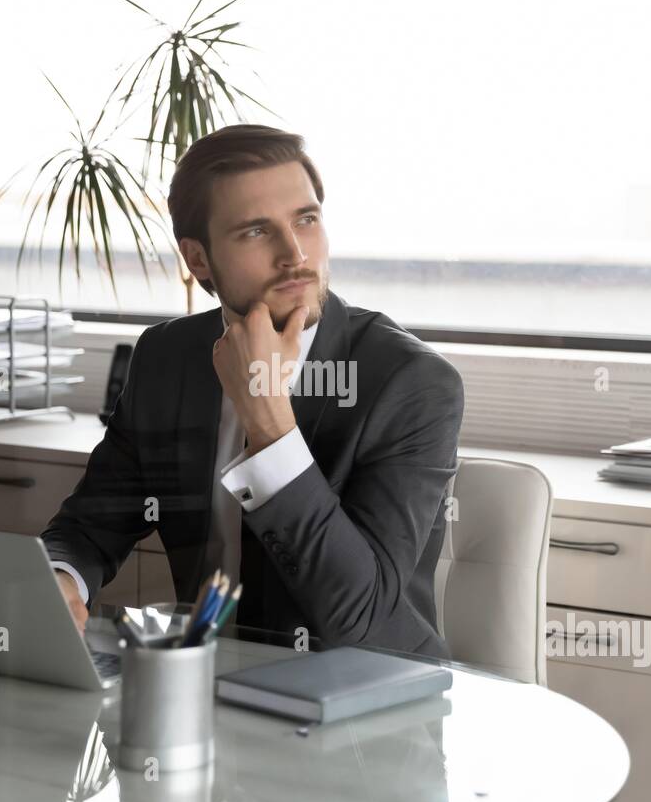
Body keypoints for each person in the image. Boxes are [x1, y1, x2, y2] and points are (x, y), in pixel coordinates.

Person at [41, 124, 463, 656]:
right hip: (211, 688)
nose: (294, 254)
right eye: (256, 232)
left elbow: (356, 616)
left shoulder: (410, 383)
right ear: (197, 261)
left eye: (306, 220)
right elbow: (94, 521)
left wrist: (267, 419)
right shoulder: (165, 359)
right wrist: (62, 577)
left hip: (367, 701)